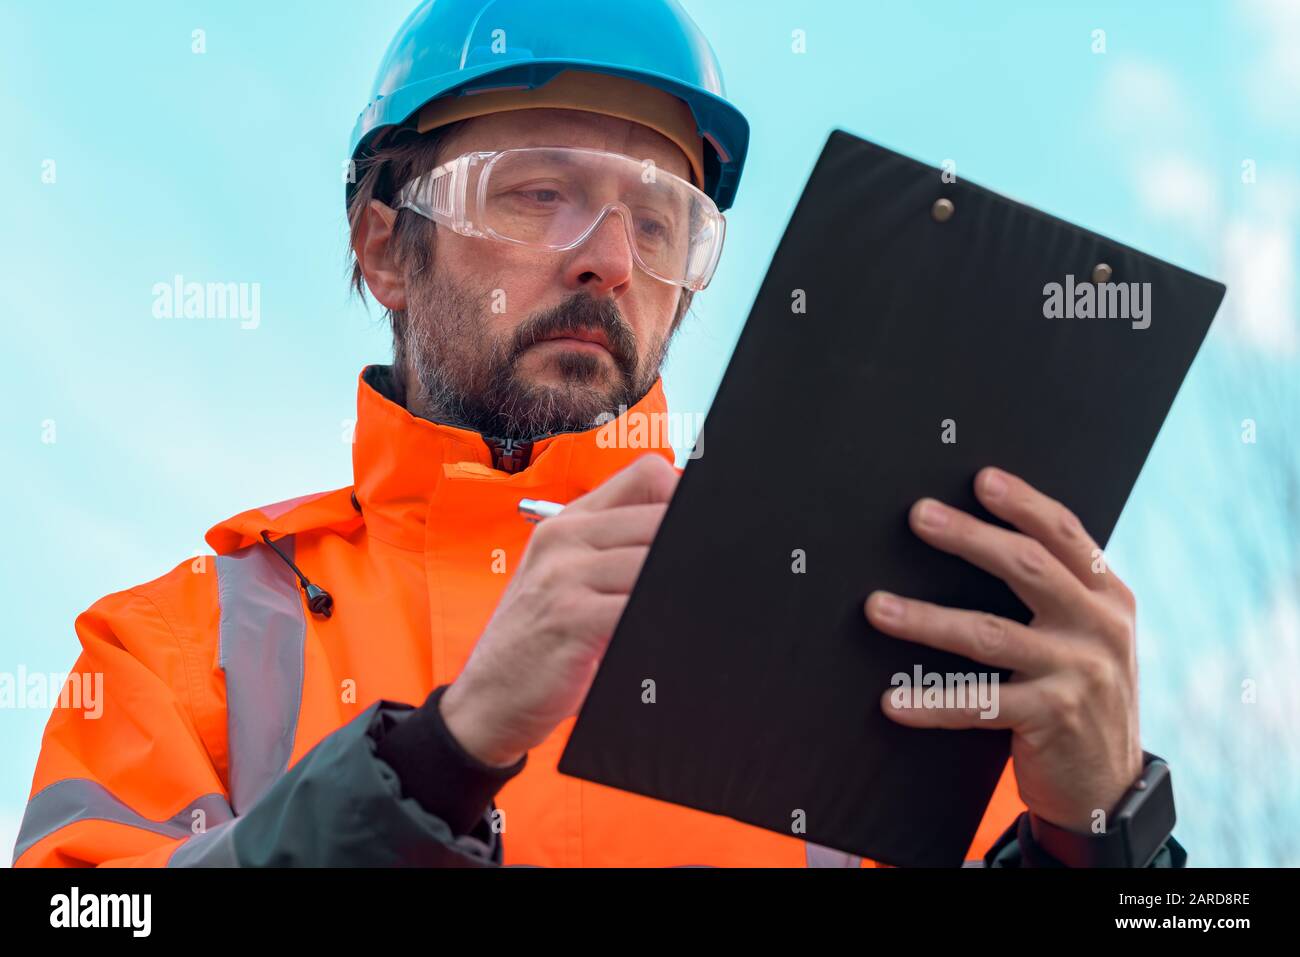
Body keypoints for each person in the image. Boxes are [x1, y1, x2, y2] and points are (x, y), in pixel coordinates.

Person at [14, 0, 1184, 868]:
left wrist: (1101, 844)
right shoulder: (172, 651)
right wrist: (438, 759)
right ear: (383, 245)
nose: (610, 260)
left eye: (661, 220)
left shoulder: (877, 625)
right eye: (536, 192)